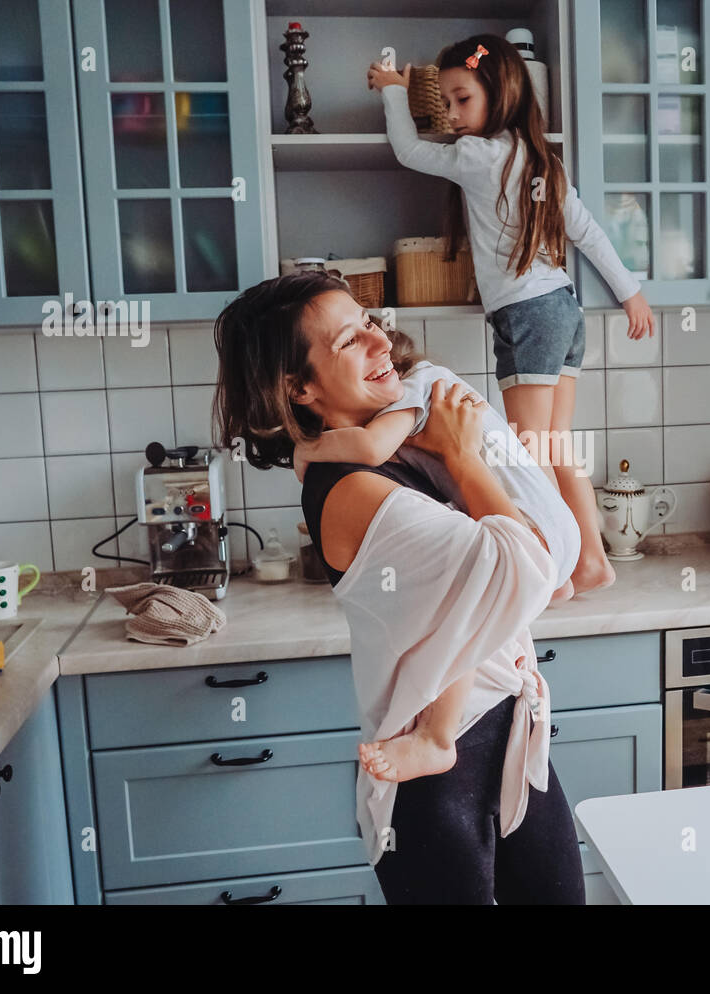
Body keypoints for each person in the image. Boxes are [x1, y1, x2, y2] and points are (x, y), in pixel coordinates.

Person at [213, 272, 585, 904]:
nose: (380, 343)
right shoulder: (350, 489)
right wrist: (466, 460)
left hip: (511, 739)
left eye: (370, 323)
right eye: (348, 341)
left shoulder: (400, 448)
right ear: (297, 387)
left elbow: (499, 583)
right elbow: (525, 568)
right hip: (438, 793)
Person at [367, 33, 656, 599]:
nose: (450, 115)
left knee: (529, 456)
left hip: (527, 317)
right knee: (554, 445)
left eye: (461, 100)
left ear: (498, 95)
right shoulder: (539, 157)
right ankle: (591, 561)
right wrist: (631, 294)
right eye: (444, 102)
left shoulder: (479, 155)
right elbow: (588, 231)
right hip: (566, 312)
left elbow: (409, 152)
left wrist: (396, 93)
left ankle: (551, 569)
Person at [289, 346, 581, 782]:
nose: (377, 346)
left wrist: (305, 449)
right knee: (461, 595)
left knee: (458, 603)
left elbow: (371, 446)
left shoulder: (420, 389)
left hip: (532, 534)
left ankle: (437, 736)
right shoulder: (428, 404)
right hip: (556, 533)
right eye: (350, 341)